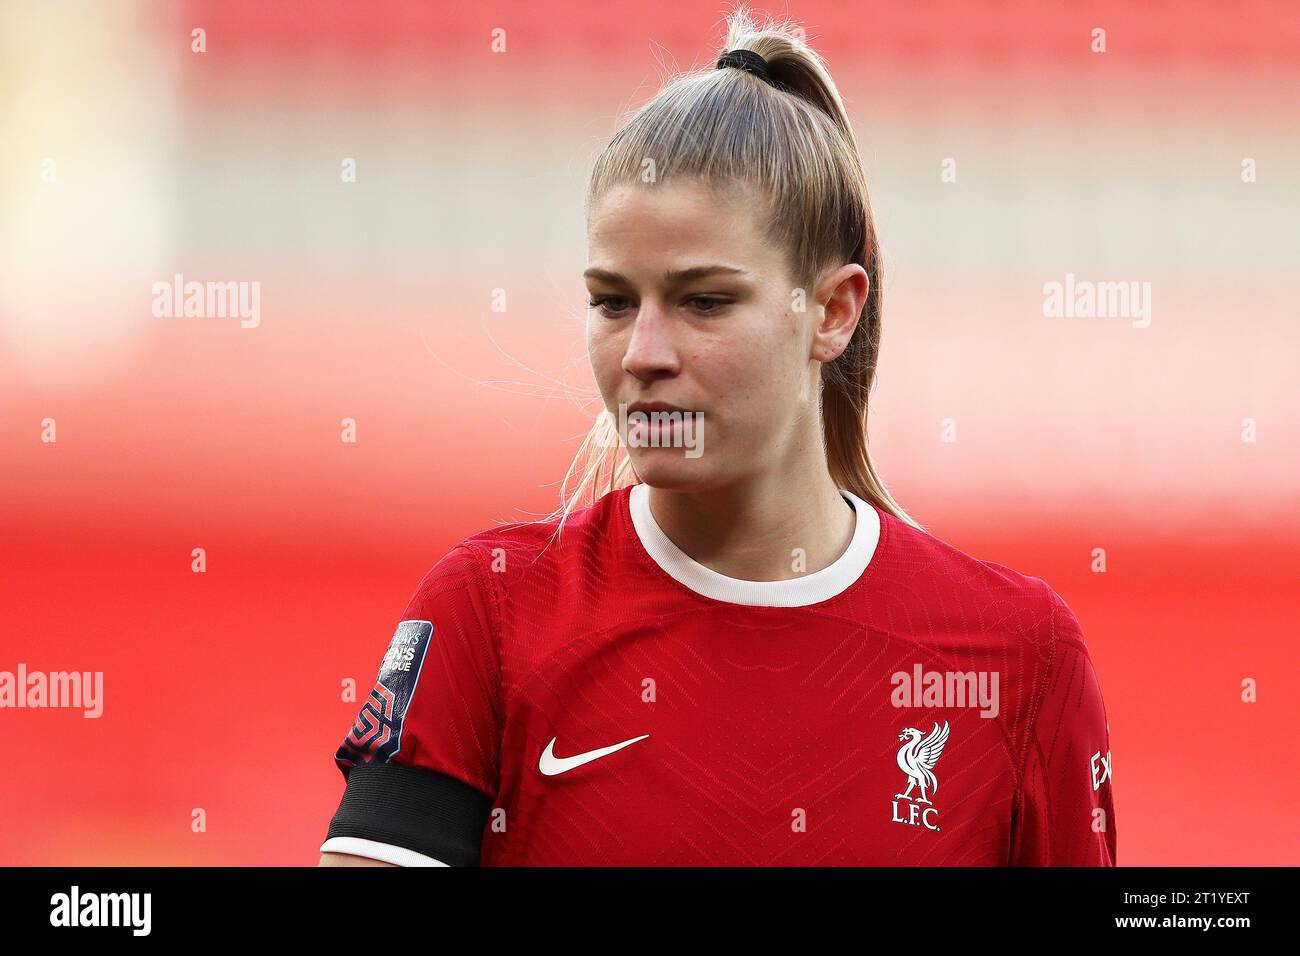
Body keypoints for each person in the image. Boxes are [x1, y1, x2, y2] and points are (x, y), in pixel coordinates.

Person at [319, 7, 1116, 867]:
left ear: (834, 311)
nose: (643, 354)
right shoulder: (491, 615)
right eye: (612, 302)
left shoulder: (1017, 656)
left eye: (704, 302)